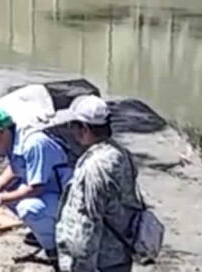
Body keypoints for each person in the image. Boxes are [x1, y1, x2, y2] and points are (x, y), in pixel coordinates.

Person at [0, 107, 74, 263]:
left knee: (28, 208)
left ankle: (54, 250)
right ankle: (45, 232)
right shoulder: (14, 139)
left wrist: (0, 199)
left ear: (1, 131)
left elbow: (37, 188)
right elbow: (16, 166)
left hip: (66, 198)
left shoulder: (34, 144)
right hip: (50, 191)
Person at [52, 95, 141, 272]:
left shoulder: (93, 167)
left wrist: (81, 266)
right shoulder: (121, 153)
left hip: (101, 260)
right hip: (120, 253)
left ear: (85, 128)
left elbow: (87, 224)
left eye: (72, 125)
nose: (71, 131)